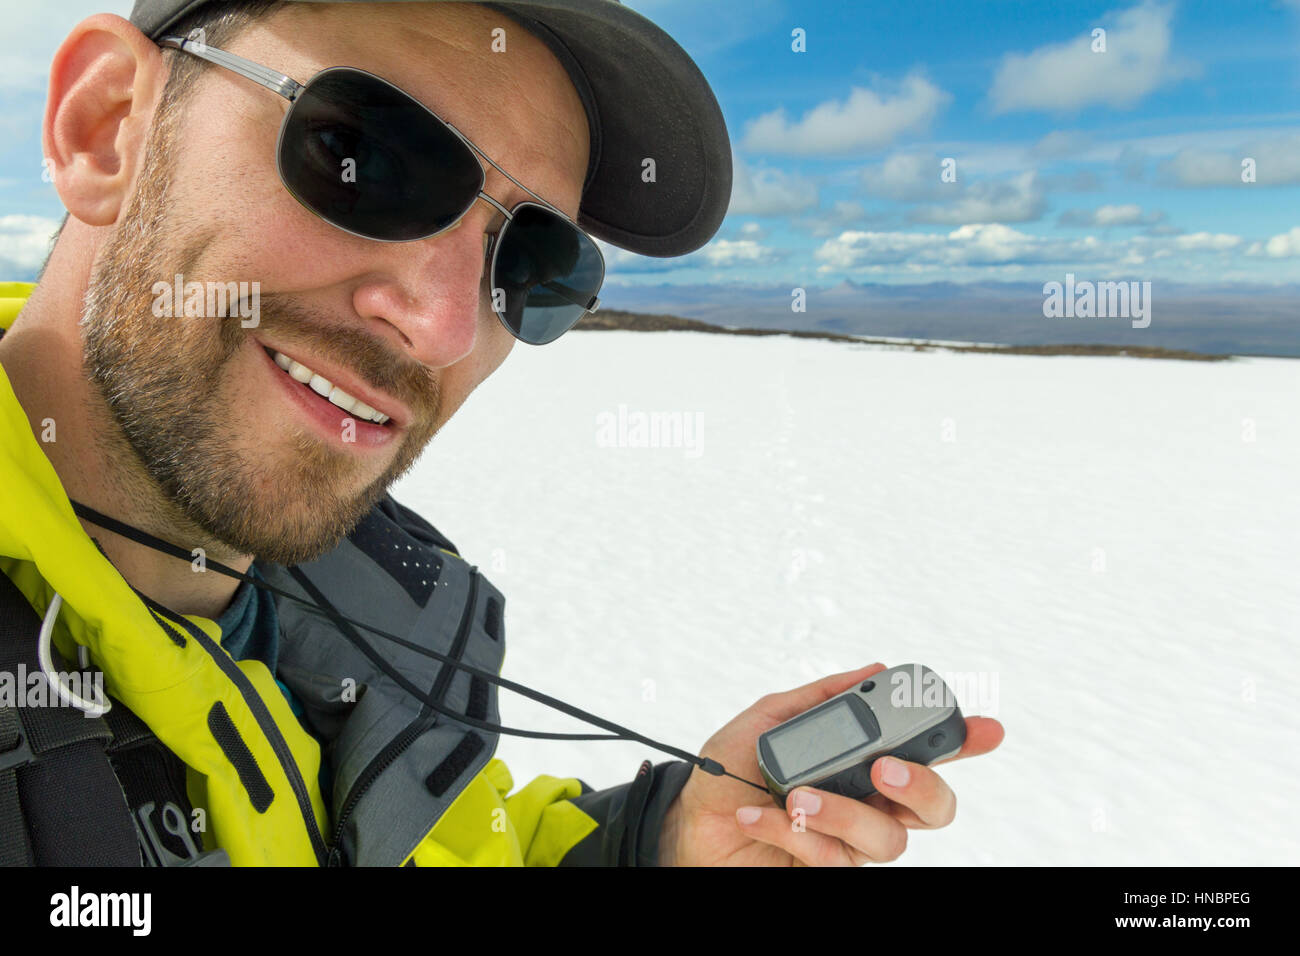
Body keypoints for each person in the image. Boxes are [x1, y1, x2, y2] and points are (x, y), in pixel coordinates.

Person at [0, 0, 1004, 866]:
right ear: (106, 128)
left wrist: (657, 841)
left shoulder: (344, 636)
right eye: (369, 161)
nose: (441, 327)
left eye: (530, 264)